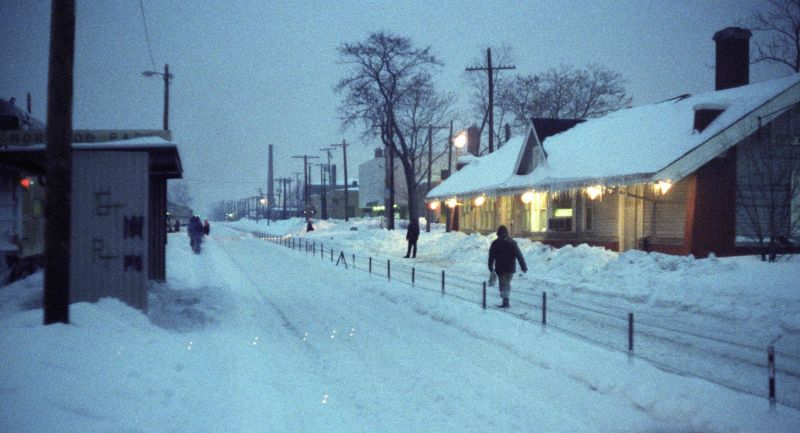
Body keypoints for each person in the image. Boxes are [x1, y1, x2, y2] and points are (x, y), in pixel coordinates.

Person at [488, 225, 527, 308]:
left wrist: (491, 267)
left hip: (500, 268)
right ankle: (506, 301)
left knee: (503, 284)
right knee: (506, 283)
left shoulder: (495, 243)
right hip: (510, 268)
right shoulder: (512, 242)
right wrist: (523, 266)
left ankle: (505, 301)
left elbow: (491, 256)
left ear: (498, 233)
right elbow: (519, 255)